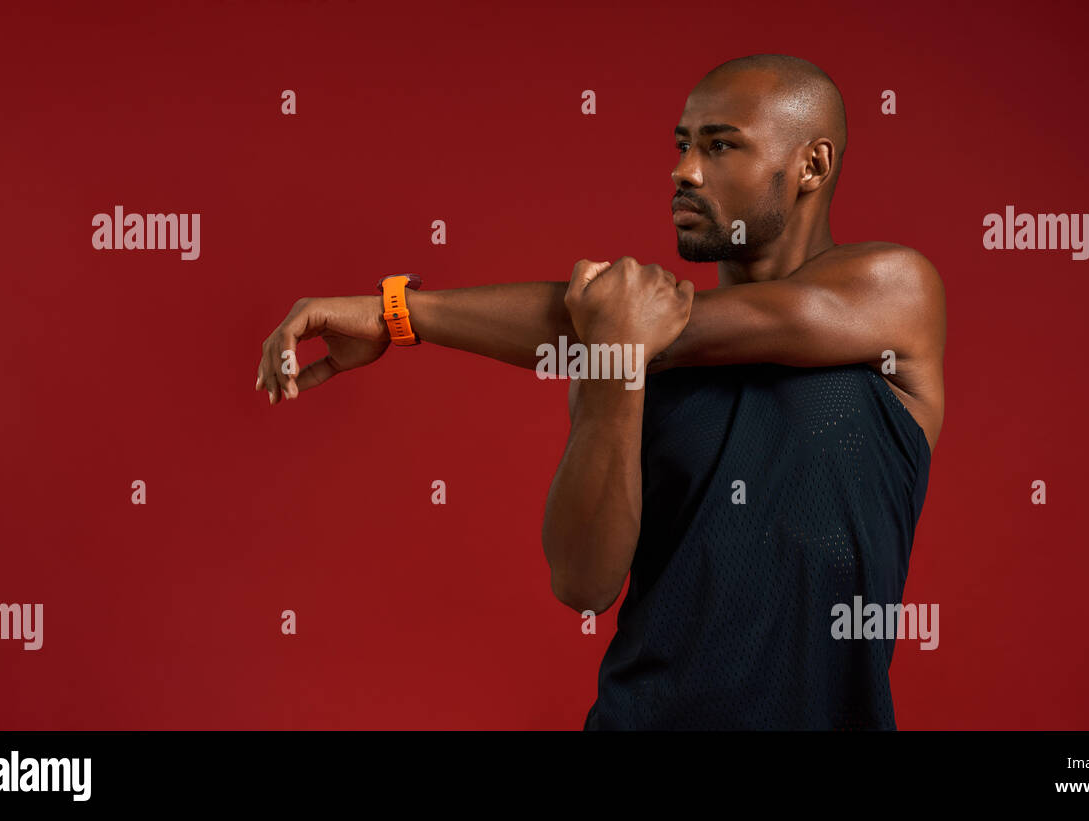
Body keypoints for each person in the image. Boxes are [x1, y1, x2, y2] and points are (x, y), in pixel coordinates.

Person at [255, 54, 946, 729]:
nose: (683, 171)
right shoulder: (620, 357)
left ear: (812, 165)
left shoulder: (892, 289)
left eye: (720, 146)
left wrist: (394, 312)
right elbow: (582, 582)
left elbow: (689, 330)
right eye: (681, 145)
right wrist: (615, 376)